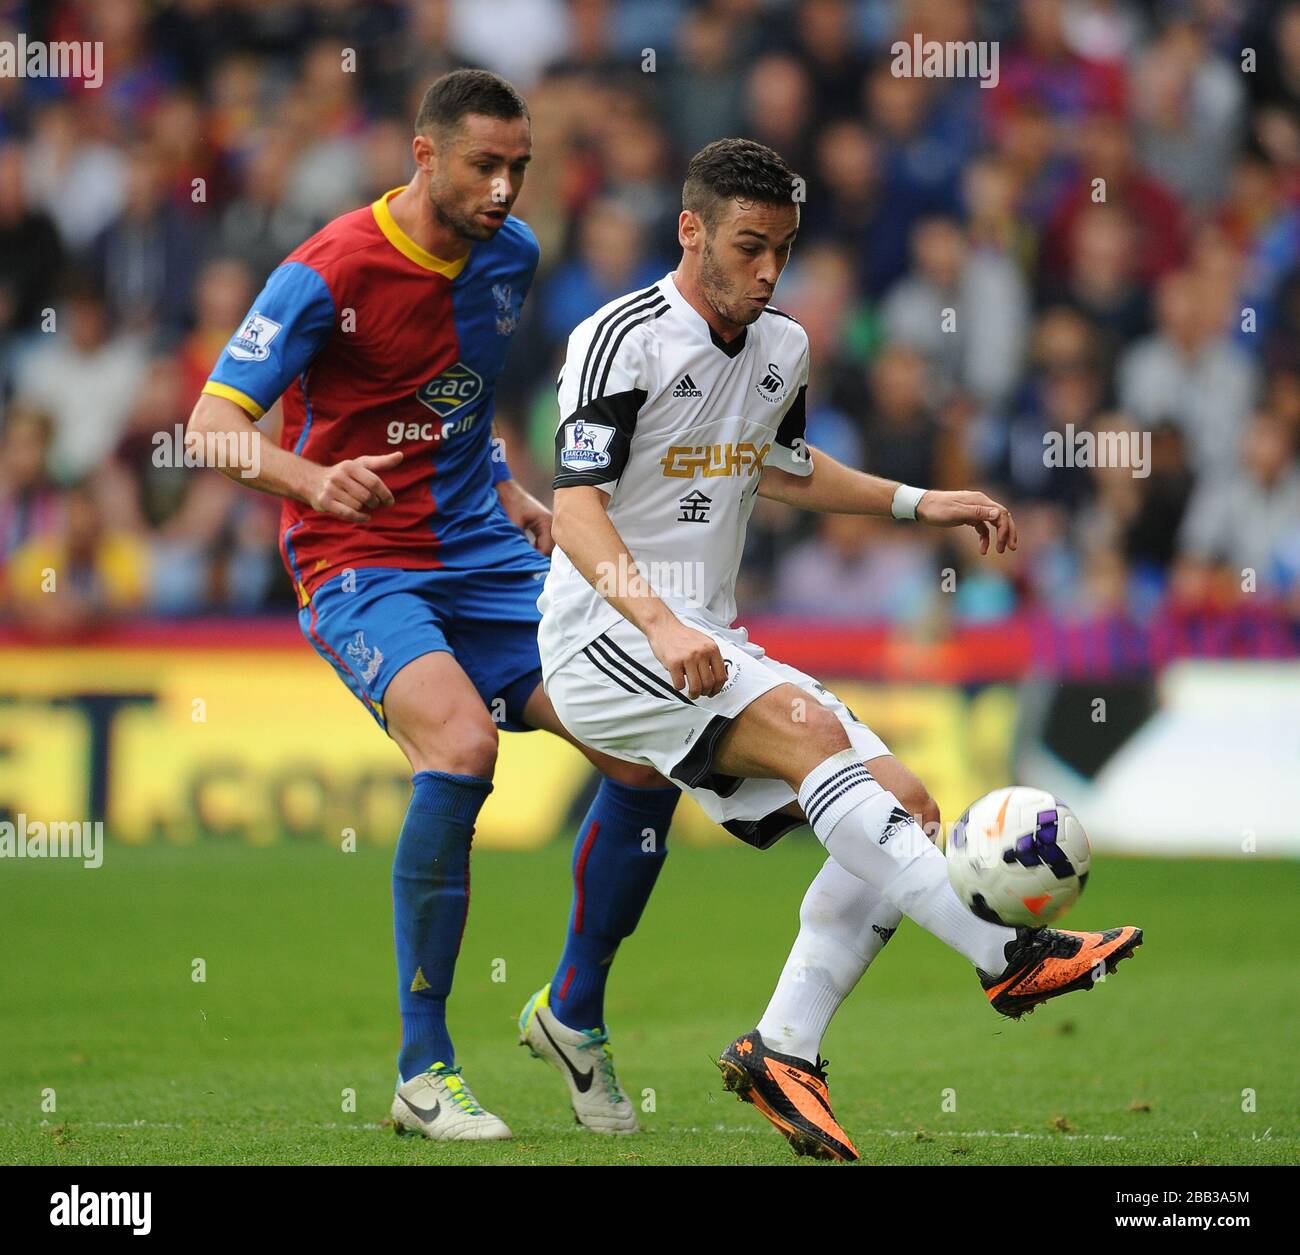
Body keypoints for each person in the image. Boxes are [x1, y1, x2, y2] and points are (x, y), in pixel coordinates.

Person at [534, 138, 1143, 1161]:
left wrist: (919, 501)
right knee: (815, 735)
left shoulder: (783, 347)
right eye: (748, 246)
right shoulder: (619, 337)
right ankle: (1005, 954)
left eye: (782, 248)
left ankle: (784, 1050)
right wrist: (661, 621)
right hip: (604, 636)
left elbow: (780, 464)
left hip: (706, 638)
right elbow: (575, 509)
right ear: (691, 231)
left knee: (900, 800)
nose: (769, 271)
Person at [187, 69, 681, 1143]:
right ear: (424, 156)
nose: (505, 188)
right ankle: (424, 1068)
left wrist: (508, 487)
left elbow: (461, 400)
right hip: (358, 554)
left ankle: (572, 1014)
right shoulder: (327, 270)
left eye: (519, 167)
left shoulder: (512, 257)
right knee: (460, 748)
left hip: (483, 551)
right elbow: (210, 427)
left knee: (646, 757)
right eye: (484, 166)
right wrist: (309, 478)